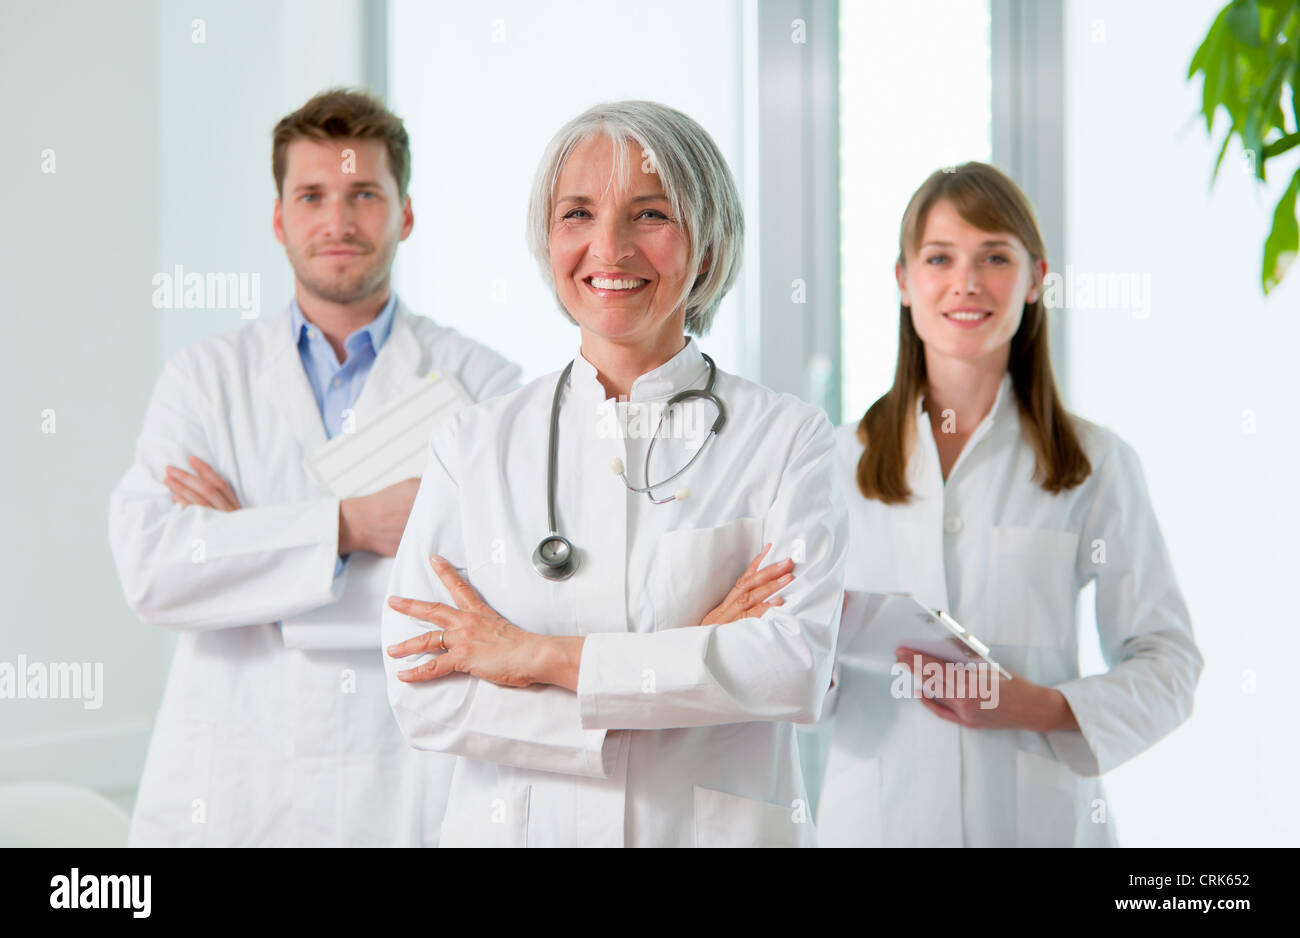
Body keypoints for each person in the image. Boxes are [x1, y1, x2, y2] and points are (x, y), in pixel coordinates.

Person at [381, 100, 848, 847]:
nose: (610, 246)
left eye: (650, 214)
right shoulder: (474, 444)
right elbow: (424, 695)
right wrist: (690, 658)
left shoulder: (787, 439)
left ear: (707, 241)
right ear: (546, 237)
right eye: (577, 213)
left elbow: (792, 667)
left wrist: (540, 658)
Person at [107, 89, 522, 846]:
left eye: (364, 193)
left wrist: (248, 548)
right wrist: (350, 526)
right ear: (279, 219)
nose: (338, 222)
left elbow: (491, 596)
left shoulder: (485, 388)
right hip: (236, 782)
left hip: (404, 779)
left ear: (405, 214)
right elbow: (152, 569)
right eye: (312, 196)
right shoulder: (205, 380)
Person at [814, 162, 1203, 847]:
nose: (966, 282)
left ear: (1035, 279)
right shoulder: (831, 465)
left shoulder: (1095, 462)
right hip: (879, 824)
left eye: (995, 256)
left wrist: (1043, 706)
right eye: (939, 258)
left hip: (1038, 826)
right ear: (903, 281)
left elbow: (1169, 662)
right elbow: (786, 667)